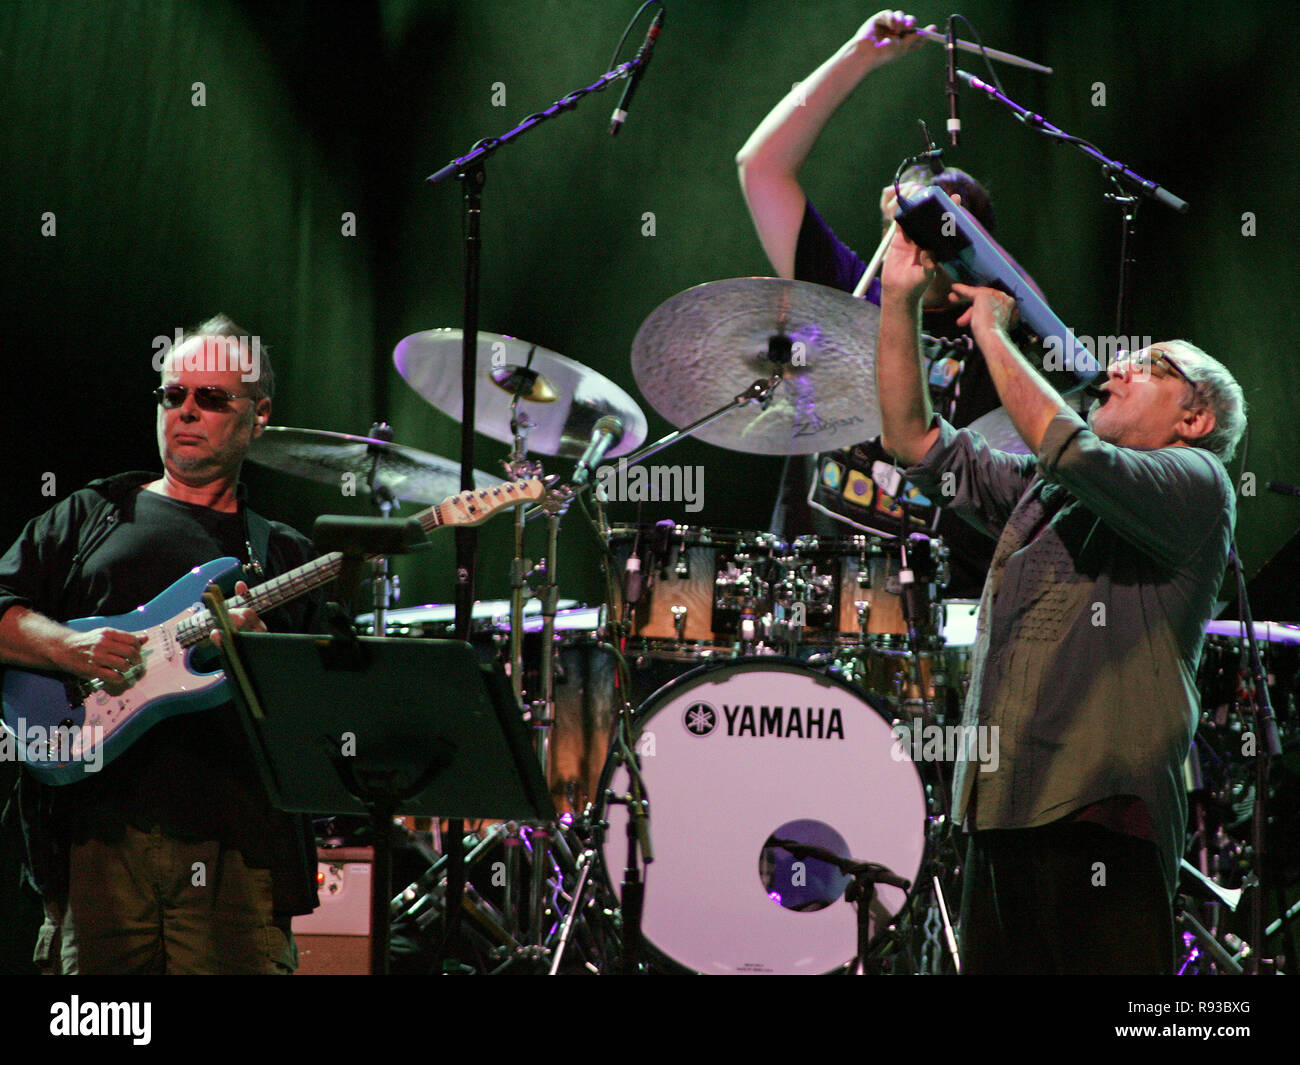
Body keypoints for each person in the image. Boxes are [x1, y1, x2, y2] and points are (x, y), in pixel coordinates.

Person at [876, 223, 1246, 973]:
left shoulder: (1199, 482)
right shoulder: (1054, 492)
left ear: (1194, 419)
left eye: (1147, 367)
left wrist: (991, 332)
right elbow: (915, 443)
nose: (1116, 370)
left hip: (1097, 817)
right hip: (1002, 807)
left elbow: (1070, 448)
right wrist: (897, 300)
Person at [0, 316, 320, 974]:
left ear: (259, 416)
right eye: (172, 395)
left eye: (211, 398)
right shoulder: (92, 514)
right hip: (93, 845)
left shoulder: (280, 553)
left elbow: (320, 717)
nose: (186, 413)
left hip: (235, 847)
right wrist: (67, 647)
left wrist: (264, 656)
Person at [736, 9, 1038, 596]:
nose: (912, 239)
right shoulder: (848, 291)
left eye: (938, 228)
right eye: (900, 223)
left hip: (936, 612)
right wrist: (860, 55)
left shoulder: (1000, 333)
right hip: (809, 597)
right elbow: (761, 168)